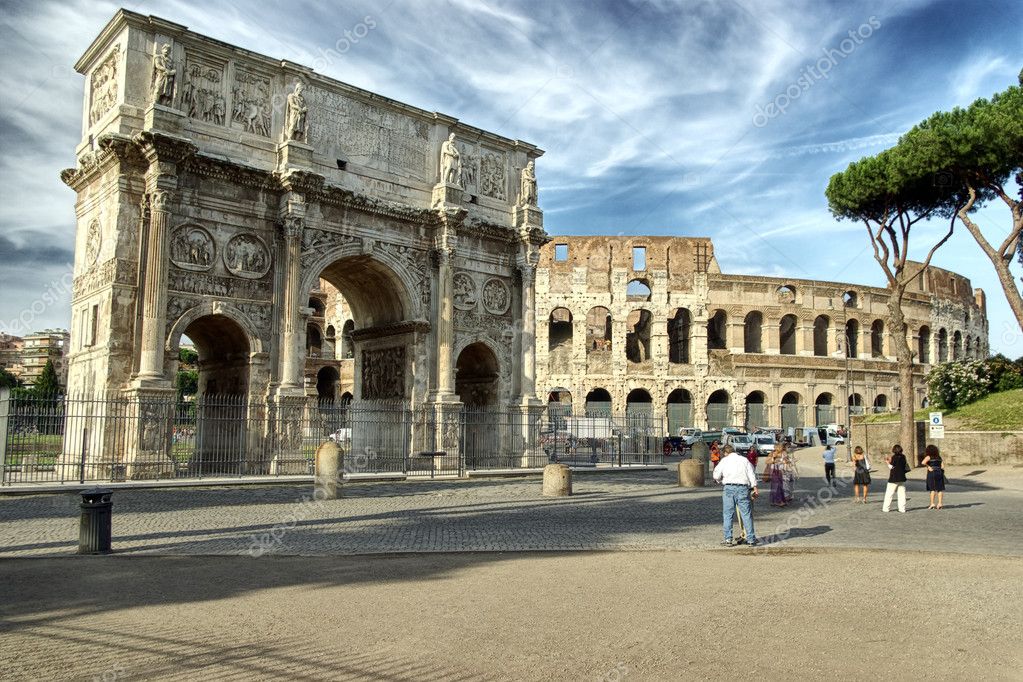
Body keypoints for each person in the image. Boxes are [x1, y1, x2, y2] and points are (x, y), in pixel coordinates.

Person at [712, 444, 759, 547]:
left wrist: (719, 480)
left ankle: (728, 539)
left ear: (725, 453)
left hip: (729, 488)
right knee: (746, 514)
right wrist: (755, 487)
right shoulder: (744, 460)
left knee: (728, 514)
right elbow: (751, 474)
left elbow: (716, 475)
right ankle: (751, 539)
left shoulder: (724, 460)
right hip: (743, 488)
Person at [882, 444, 910, 513]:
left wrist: (887, 463)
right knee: (902, 494)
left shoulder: (894, 457)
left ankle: (886, 508)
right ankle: (902, 509)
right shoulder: (903, 457)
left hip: (894, 478)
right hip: (902, 477)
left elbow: (892, 467)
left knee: (889, 494)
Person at [921, 444, 946, 509]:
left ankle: (932, 503)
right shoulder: (939, 457)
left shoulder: (928, 457)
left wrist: (928, 466)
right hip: (939, 472)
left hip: (932, 473)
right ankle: (940, 503)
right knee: (940, 489)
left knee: (932, 489)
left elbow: (923, 462)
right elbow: (942, 466)